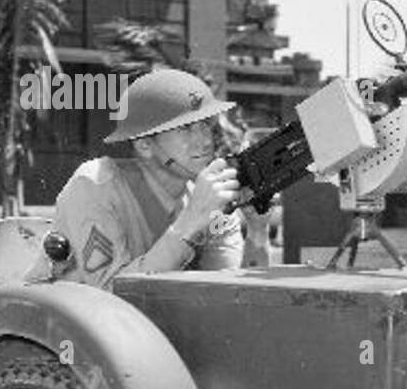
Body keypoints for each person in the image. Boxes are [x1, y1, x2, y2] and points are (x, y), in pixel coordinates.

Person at [54, 68, 270, 290]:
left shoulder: (213, 205)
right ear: (145, 145)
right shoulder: (95, 186)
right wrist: (191, 221)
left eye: (205, 125)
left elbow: (225, 293)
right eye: (186, 128)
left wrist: (257, 232)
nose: (204, 140)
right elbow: (108, 293)